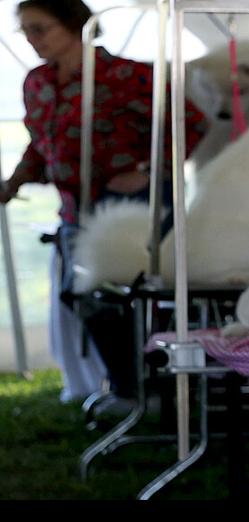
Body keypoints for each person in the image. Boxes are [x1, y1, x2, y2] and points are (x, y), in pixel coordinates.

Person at [0, 0, 207, 404]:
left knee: (134, 298)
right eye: (26, 31)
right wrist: (15, 182)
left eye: (40, 29)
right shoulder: (38, 83)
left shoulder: (127, 75)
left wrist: (148, 170)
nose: (32, 40)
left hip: (132, 207)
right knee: (83, 295)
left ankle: (159, 388)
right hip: (76, 207)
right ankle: (129, 388)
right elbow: (42, 146)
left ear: (74, 24)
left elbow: (190, 123)